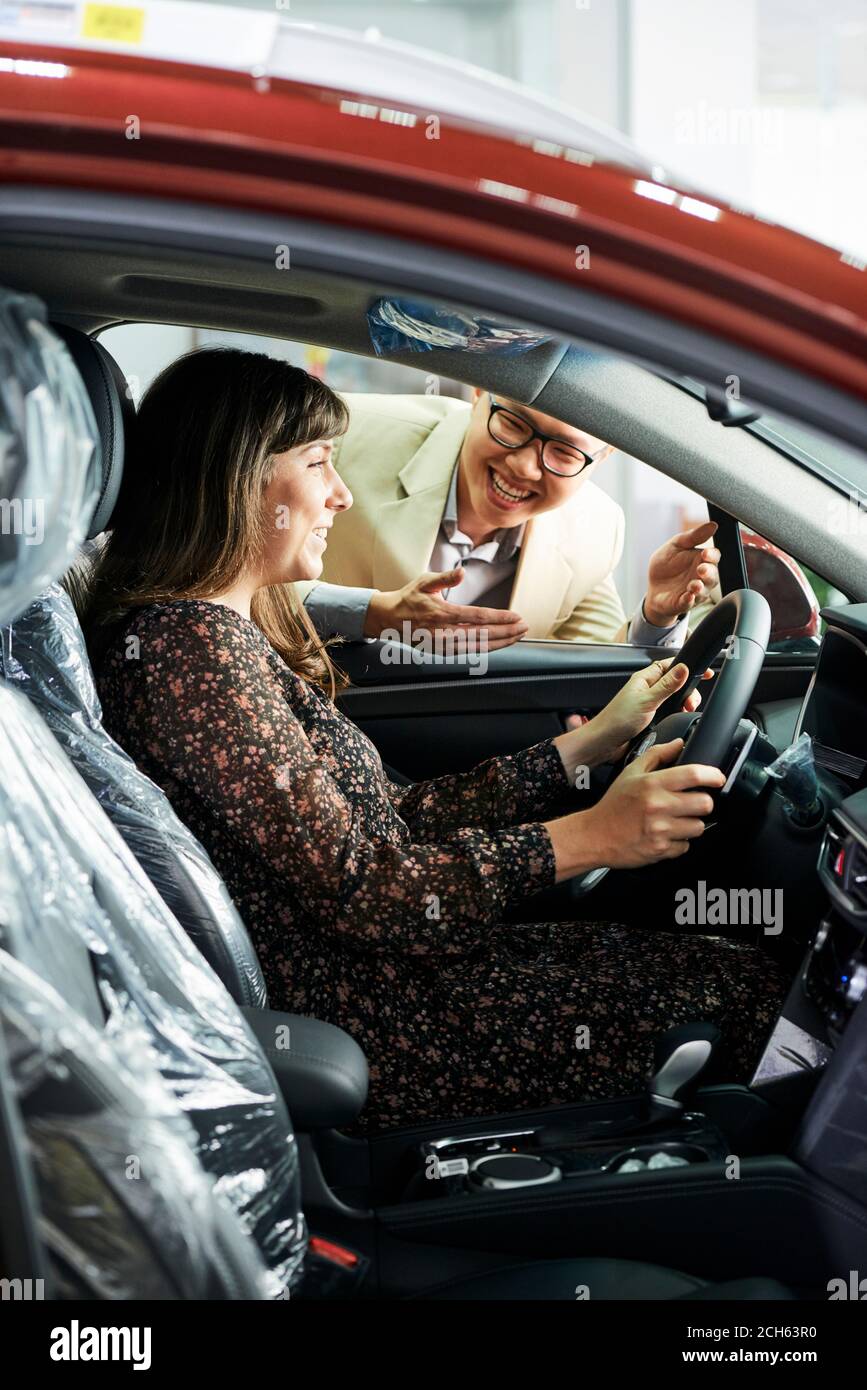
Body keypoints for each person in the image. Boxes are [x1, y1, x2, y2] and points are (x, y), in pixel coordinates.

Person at [83, 348, 786, 1134]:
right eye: (318, 462)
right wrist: (593, 835)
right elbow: (369, 890)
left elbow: (392, 816)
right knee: (744, 991)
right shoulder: (192, 654)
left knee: (723, 967)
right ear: (235, 477)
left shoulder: (226, 633)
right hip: (372, 1011)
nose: (341, 494)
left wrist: (584, 750)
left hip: (386, 970)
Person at [298, 389, 721, 652]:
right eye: (513, 424)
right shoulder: (346, 436)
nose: (523, 466)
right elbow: (236, 574)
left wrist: (657, 616)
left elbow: (594, 668)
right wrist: (372, 613)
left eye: (564, 453)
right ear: (479, 392)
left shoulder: (595, 527)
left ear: (604, 456)